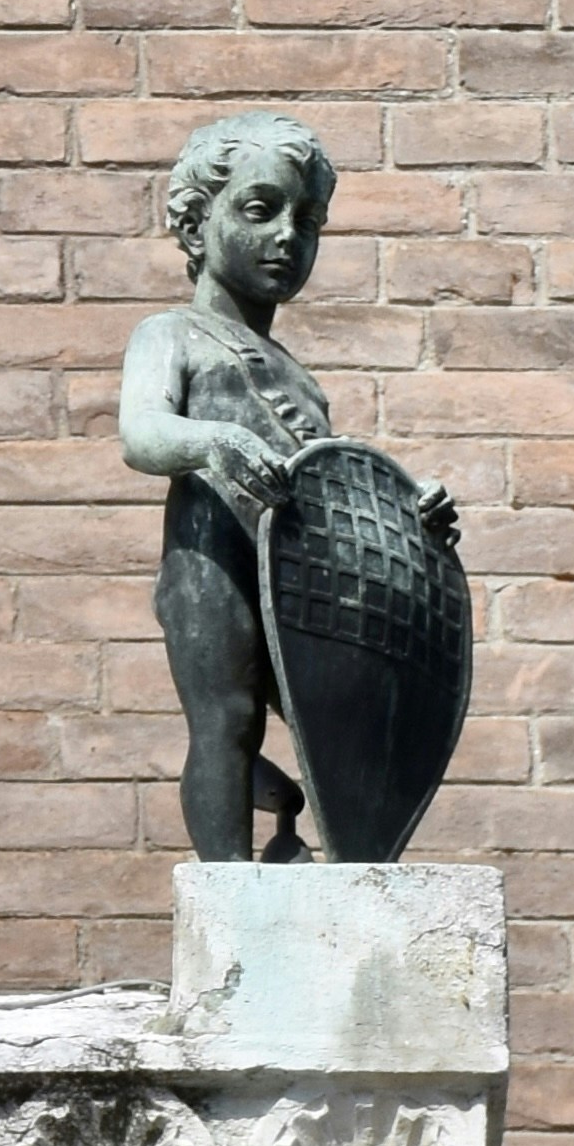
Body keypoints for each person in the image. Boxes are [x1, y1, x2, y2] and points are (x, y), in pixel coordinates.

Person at [118, 108, 455, 861]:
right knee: (227, 719)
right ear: (196, 222)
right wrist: (215, 439)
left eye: (306, 221)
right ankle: (227, 889)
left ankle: (288, 816)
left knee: (330, 722)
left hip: (300, 578)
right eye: (259, 208)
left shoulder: (299, 378)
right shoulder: (170, 333)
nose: (285, 237)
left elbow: (335, 489)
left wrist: (412, 517)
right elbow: (140, 434)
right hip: (209, 557)